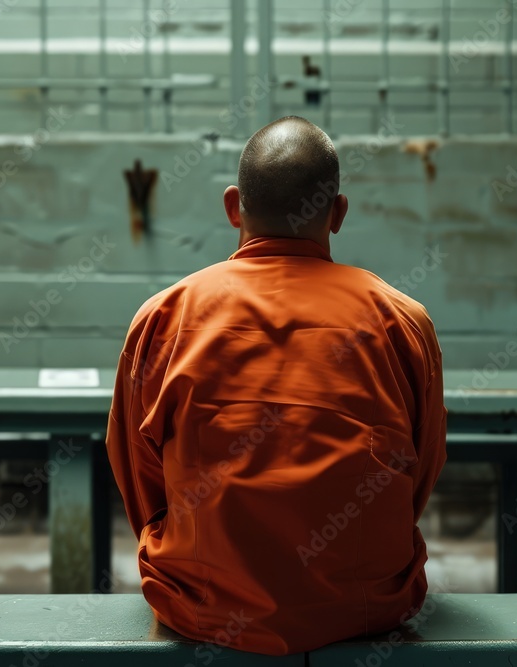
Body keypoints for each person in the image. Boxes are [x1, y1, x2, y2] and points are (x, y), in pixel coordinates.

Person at [106, 116, 447, 656]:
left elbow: (142, 481)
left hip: (203, 607)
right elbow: (419, 471)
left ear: (234, 206)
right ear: (337, 214)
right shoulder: (401, 321)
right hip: (365, 607)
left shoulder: (164, 317)